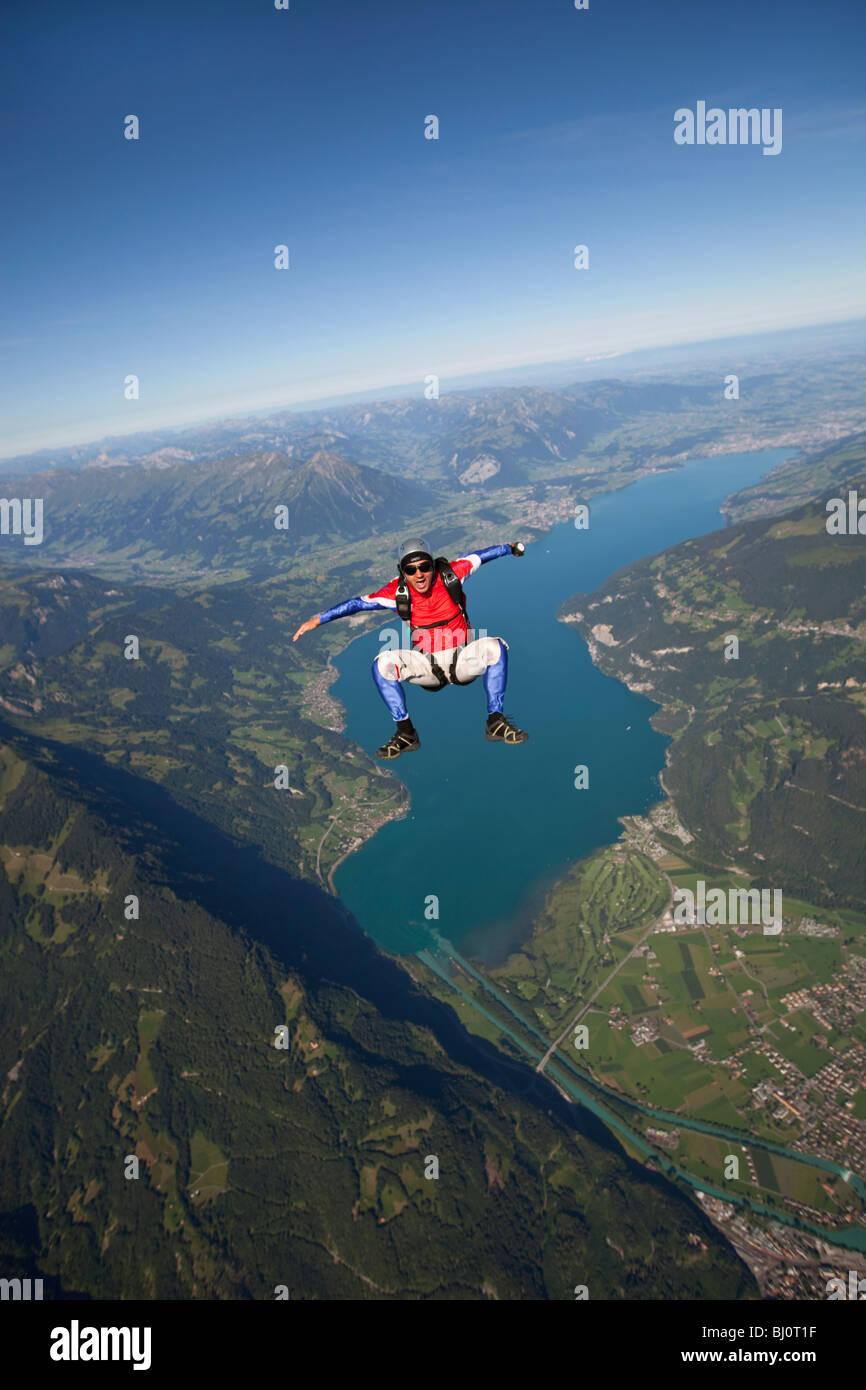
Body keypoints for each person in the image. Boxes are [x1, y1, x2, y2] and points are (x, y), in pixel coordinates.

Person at [293, 537, 529, 758]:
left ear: (433, 565)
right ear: (403, 571)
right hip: (428, 666)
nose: (419, 574)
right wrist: (318, 620)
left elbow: (481, 556)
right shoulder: (397, 593)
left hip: (462, 661)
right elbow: (357, 604)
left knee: (495, 647)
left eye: (425, 566)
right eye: (411, 569)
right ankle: (406, 733)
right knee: (383, 663)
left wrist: (511, 547)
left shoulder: (452, 575)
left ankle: (495, 721)